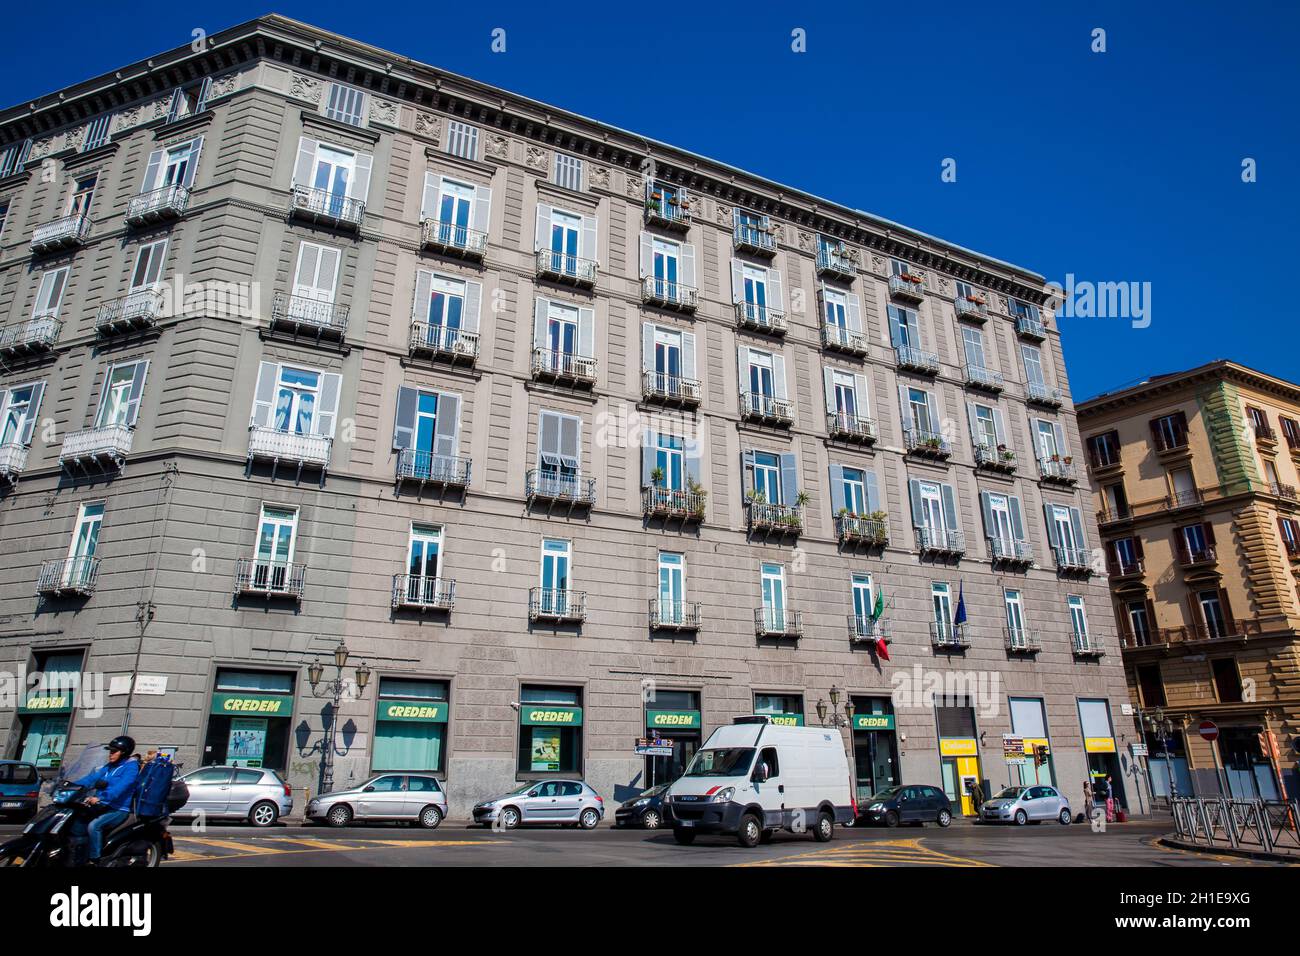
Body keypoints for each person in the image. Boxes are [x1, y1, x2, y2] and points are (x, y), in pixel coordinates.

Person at [73, 735, 141, 865]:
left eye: (114, 751)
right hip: (102, 805)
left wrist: (101, 797)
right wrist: (70, 785)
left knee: (94, 826)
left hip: (118, 809)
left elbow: (121, 787)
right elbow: (91, 778)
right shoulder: (109, 766)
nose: (111, 754)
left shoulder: (131, 768)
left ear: (124, 752)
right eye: (110, 751)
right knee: (75, 818)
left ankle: (95, 859)